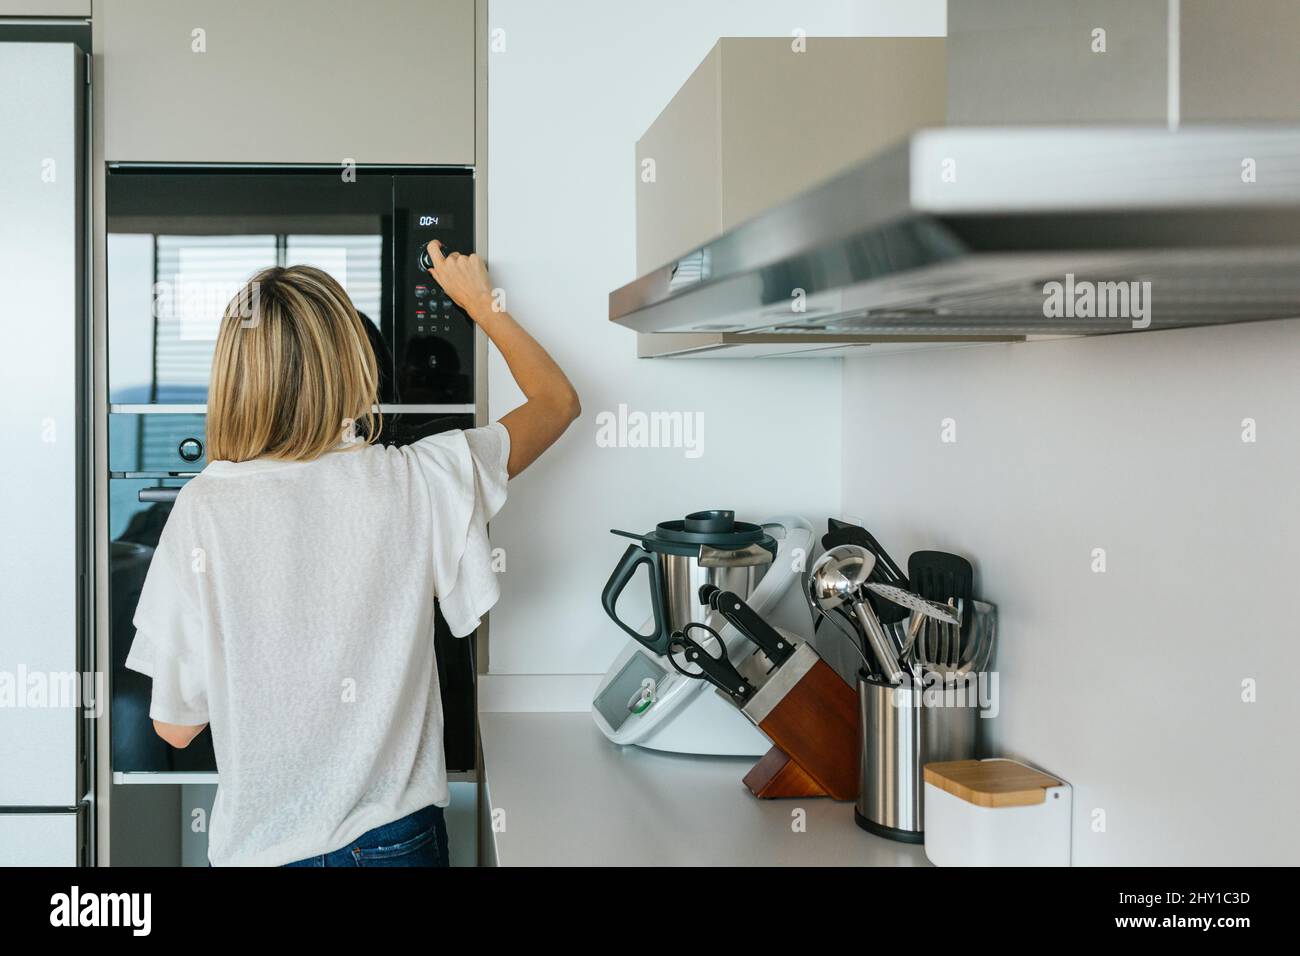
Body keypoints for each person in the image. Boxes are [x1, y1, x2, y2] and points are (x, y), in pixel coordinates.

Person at [125, 242, 579, 866]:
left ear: (236, 375)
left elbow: (176, 727)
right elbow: (556, 403)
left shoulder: (204, 508)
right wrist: (479, 300)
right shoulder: (419, 477)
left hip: (262, 850)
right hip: (398, 839)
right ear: (352, 362)